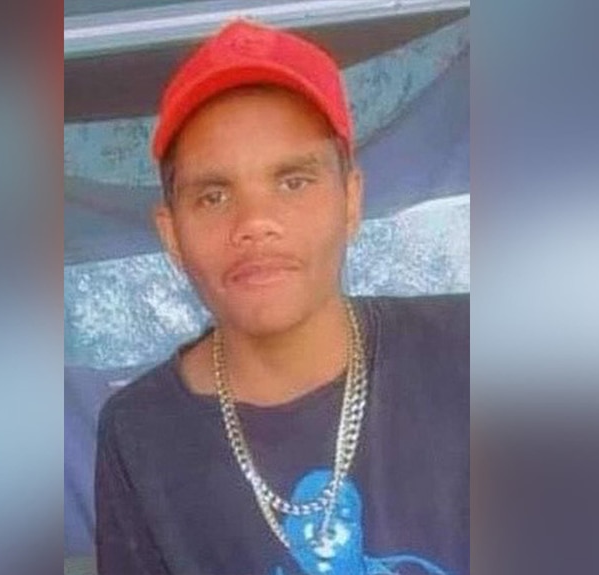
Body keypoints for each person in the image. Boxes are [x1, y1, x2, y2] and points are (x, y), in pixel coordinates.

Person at [95, 19, 468, 575]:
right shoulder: (140, 433)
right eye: (214, 195)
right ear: (171, 233)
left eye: (293, 181)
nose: (255, 222)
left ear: (350, 200)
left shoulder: (469, 350)